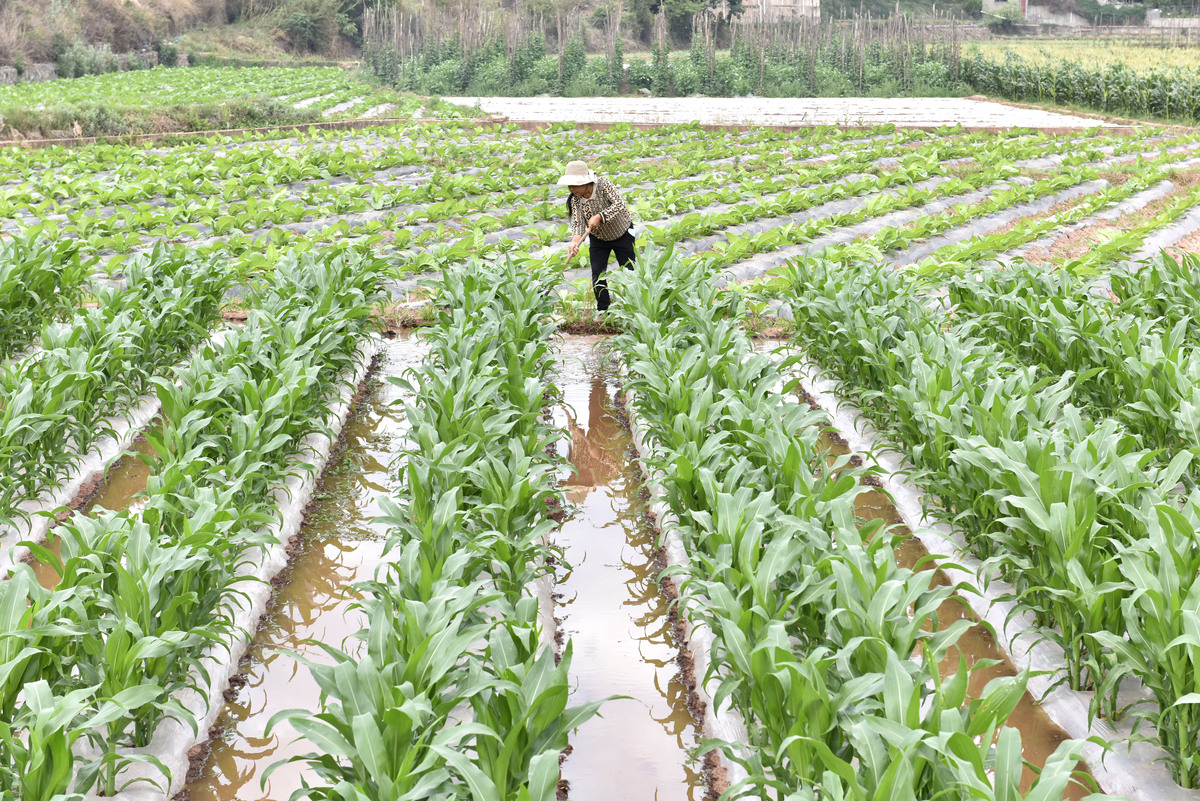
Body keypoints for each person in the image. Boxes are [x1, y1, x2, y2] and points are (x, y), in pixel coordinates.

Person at [558, 160, 636, 317]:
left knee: (629, 272)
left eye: (575, 184)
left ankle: (633, 309)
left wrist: (600, 216)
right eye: (570, 185)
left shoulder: (603, 185)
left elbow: (619, 205)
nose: (572, 189)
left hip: (623, 233)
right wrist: (574, 241)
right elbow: (579, 222)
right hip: (599, 239)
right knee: (598, 274)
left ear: (587, 181)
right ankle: (603, 310)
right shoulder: (576, 199)